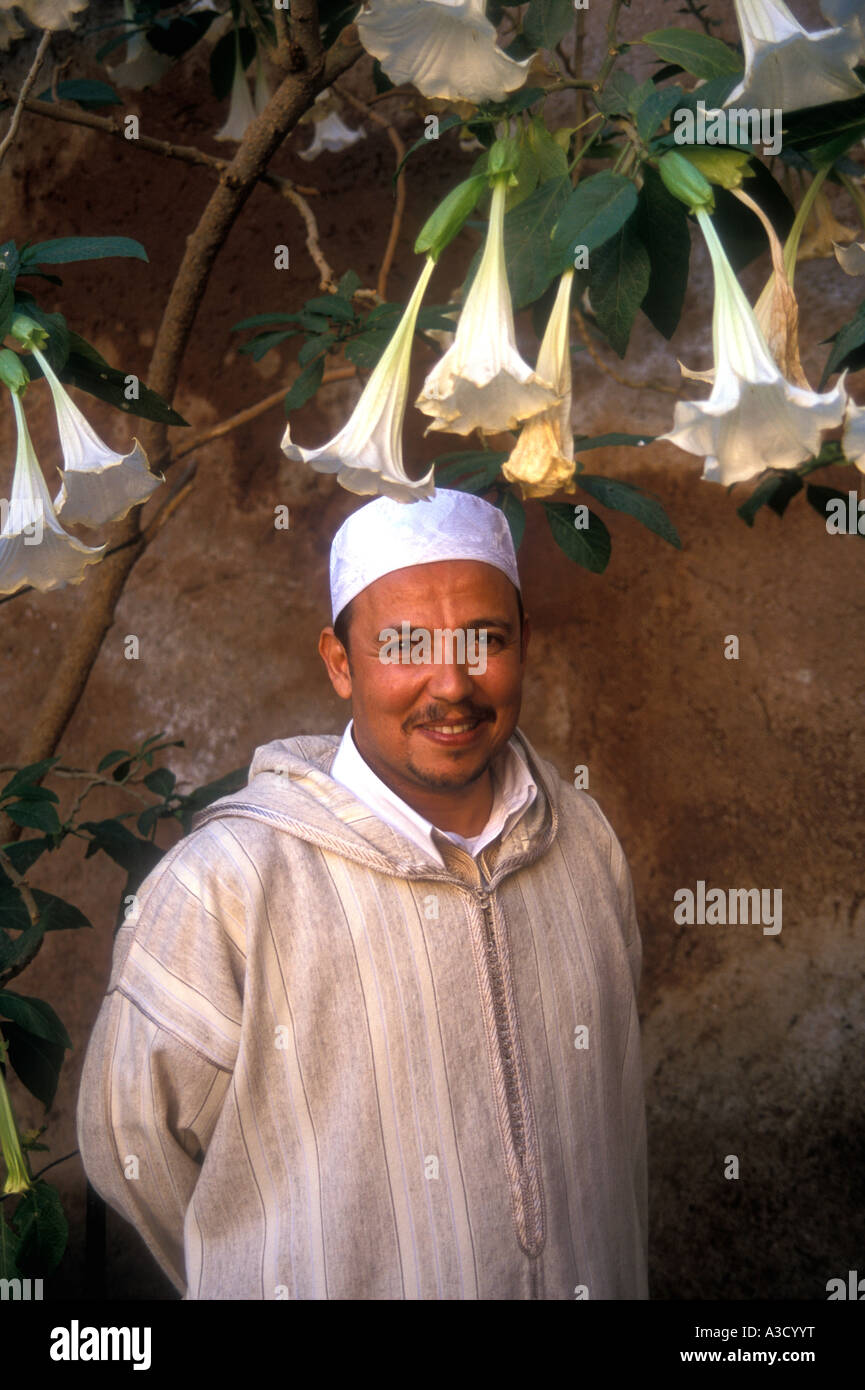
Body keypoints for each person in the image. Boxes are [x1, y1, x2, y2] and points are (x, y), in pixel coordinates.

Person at [76, 487, 648, 1300]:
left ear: (524, 643)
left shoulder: (584, 842)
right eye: (405, 645)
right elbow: (130, 1151)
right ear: (340, 664)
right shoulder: (230, 882)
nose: (450, 684)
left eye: (483, 639)